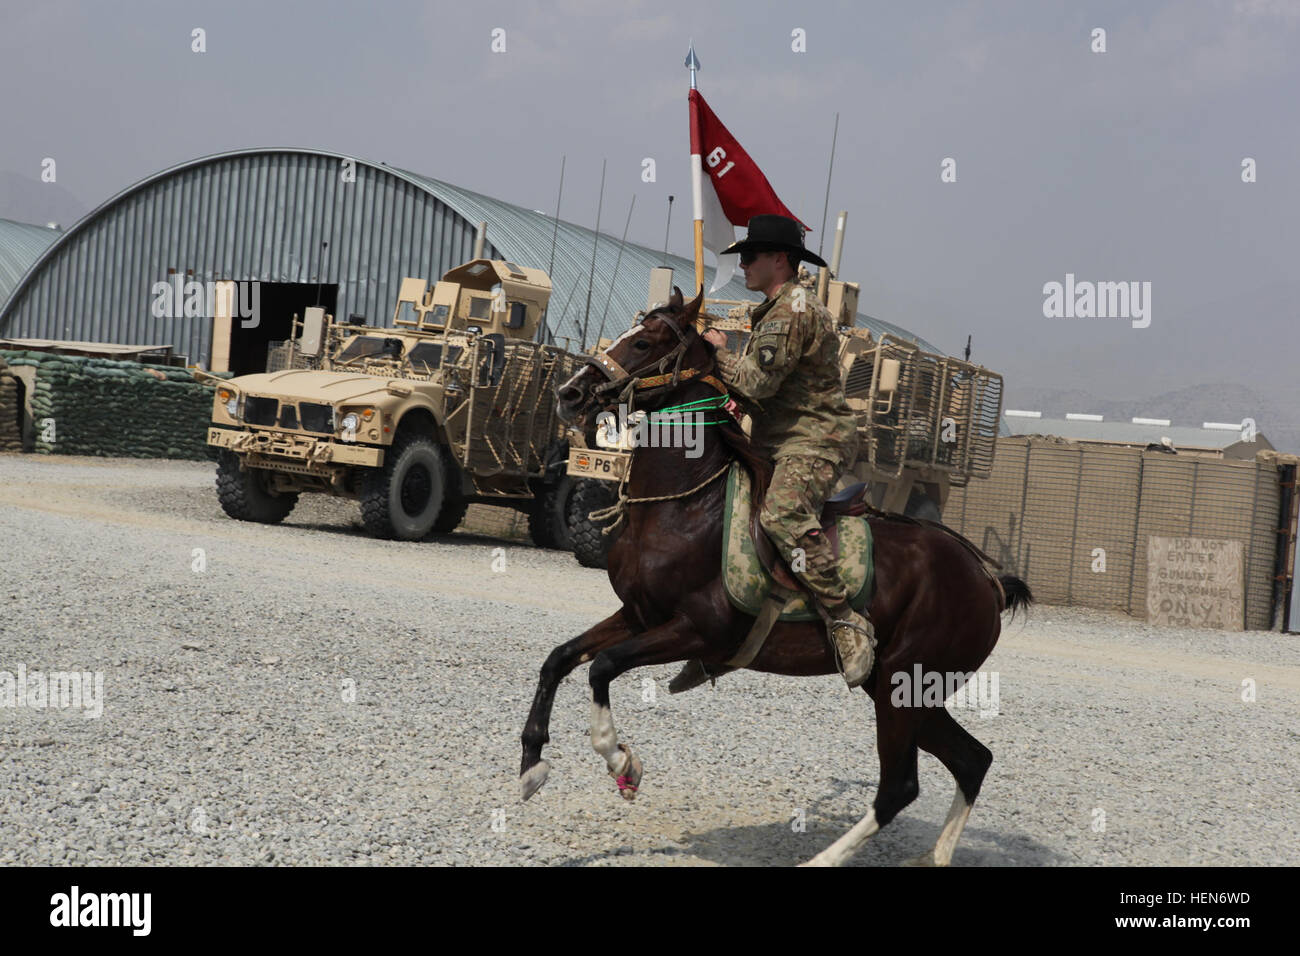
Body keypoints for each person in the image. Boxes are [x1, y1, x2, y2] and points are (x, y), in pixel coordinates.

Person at [673, 214, 876, 691]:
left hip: (813, 439)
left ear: (779, 259)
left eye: (750, 255)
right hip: (775, 439)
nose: (742, 264)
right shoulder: (775, 308)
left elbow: (754, 385)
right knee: (720, 511)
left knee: (781, 513)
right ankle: (719, 632)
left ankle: (845, 620)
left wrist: (716, 351)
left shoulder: (792, 311)